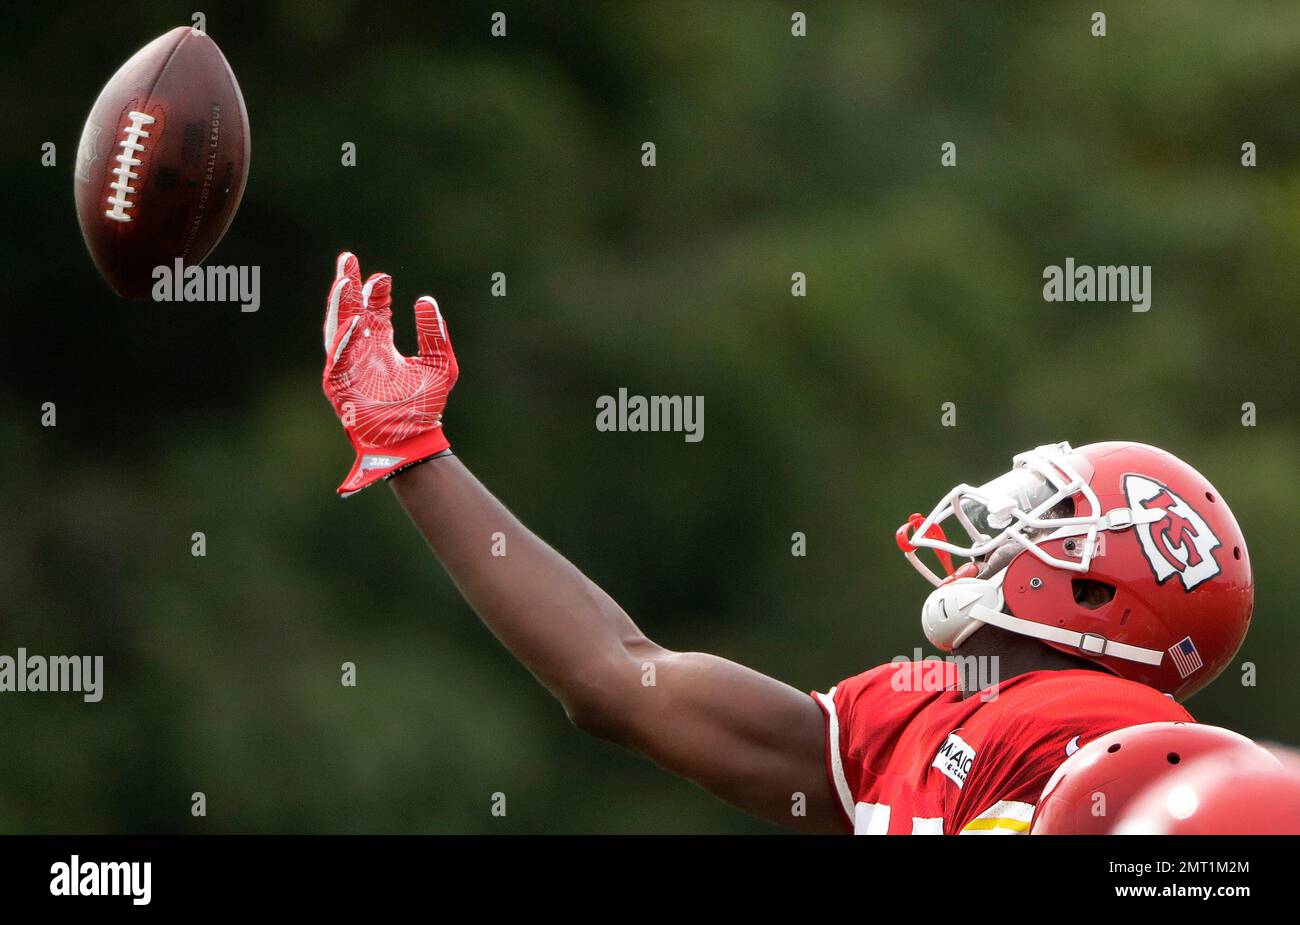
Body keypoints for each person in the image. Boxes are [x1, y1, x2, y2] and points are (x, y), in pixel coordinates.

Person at [320, 253, 1255, 834]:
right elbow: (616, 678)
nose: (991, 534)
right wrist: (415, 454)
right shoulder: (922, 703)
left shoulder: (1135, 742)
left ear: (1096, 594)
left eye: (1038, 518)